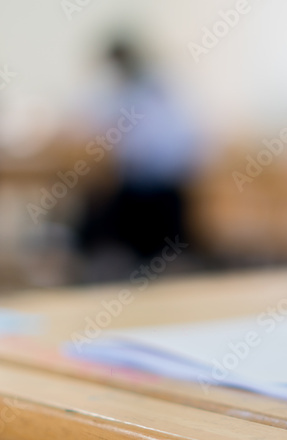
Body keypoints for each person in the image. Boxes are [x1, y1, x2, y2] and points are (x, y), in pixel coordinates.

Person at [76, 36, 203, 275]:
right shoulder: (150, 89)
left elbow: (138, 150)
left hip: (157, 192)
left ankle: (111, 261)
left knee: (97, 202)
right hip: (163, 188)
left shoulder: (145, 93)